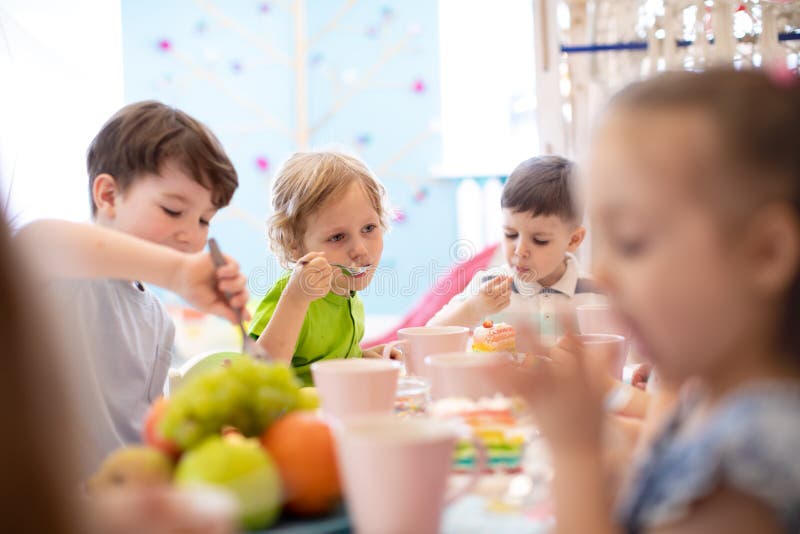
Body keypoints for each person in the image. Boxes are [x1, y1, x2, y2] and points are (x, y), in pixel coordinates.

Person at [518, 69, 800, 533]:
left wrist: (575, 455)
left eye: (631, 242)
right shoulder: (707, 398)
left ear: (764, 253)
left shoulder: (754, 465)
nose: (603, 273)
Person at [16, 100, 247, 470]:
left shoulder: (157, 318)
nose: (192, 235)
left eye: (205, 220)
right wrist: (177, 272)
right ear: (108, 196)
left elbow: (143, 430)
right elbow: (37, 241)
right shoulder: (68, 277)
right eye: (173, 210)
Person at [428, 155, 604, 346]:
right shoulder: (488, 287)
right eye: (510, 234)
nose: (520, 250)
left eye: (539, 240)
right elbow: (428, 336)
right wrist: (473, 309)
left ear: (574, 239)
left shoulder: (597, 294)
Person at [249, 151, 390, 385]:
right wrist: (296, 300)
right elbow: (257, 375)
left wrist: (363, 358)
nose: (360, 249)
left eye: (368, 228)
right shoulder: (294, 295)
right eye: (337, 237)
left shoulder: (346, 293)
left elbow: (318, 362)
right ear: (294, 245)